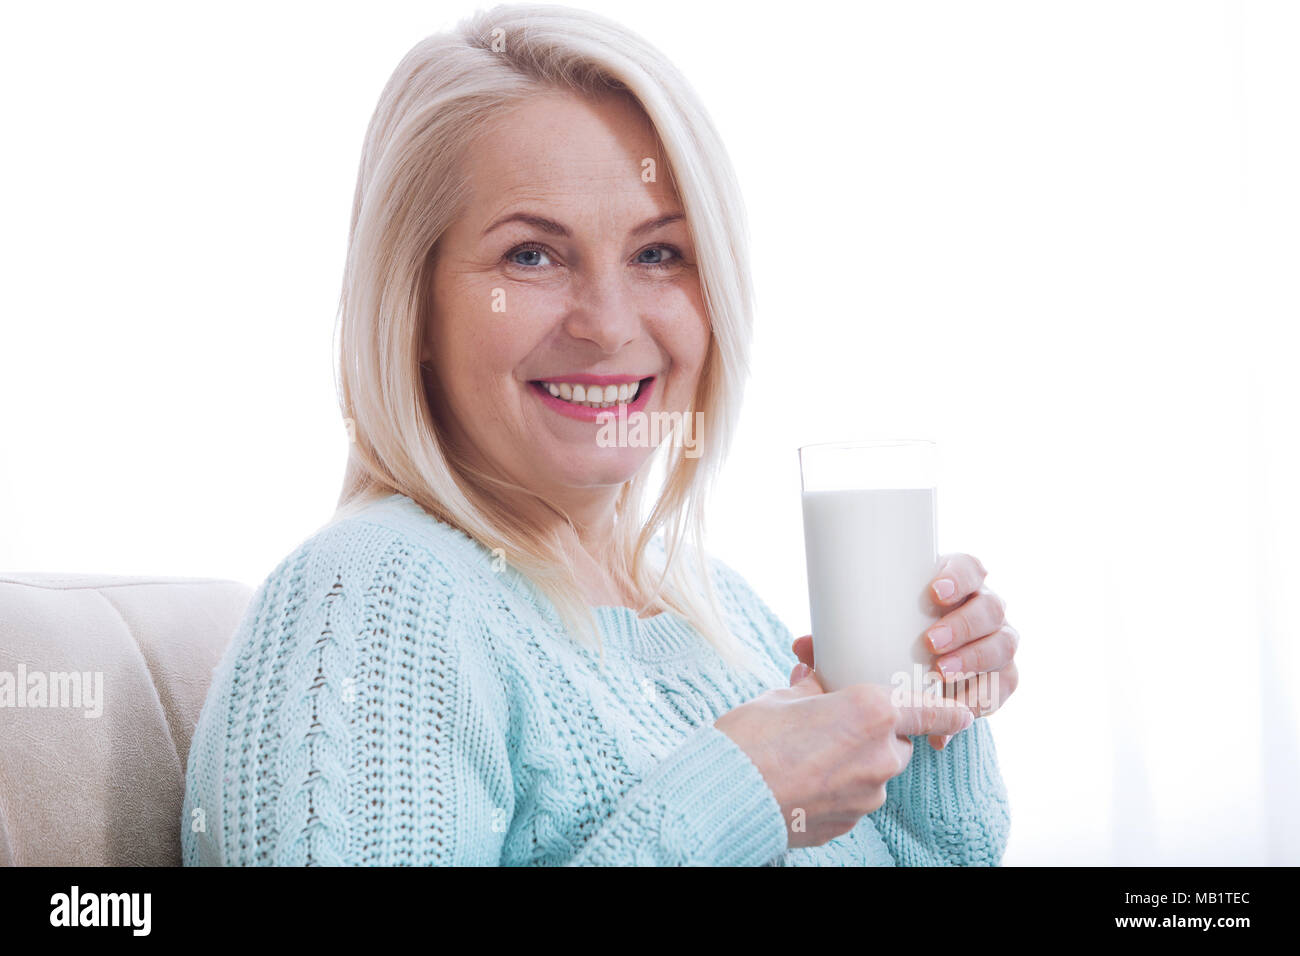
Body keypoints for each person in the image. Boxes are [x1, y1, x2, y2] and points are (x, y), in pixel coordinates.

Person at [182, 3, 1019, 866]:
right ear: (413, 303)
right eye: (532, 256)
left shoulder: (721, 614)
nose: (609, 326)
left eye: (658, 254)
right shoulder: (374, 595)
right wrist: (734, 799)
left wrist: (924, 720)